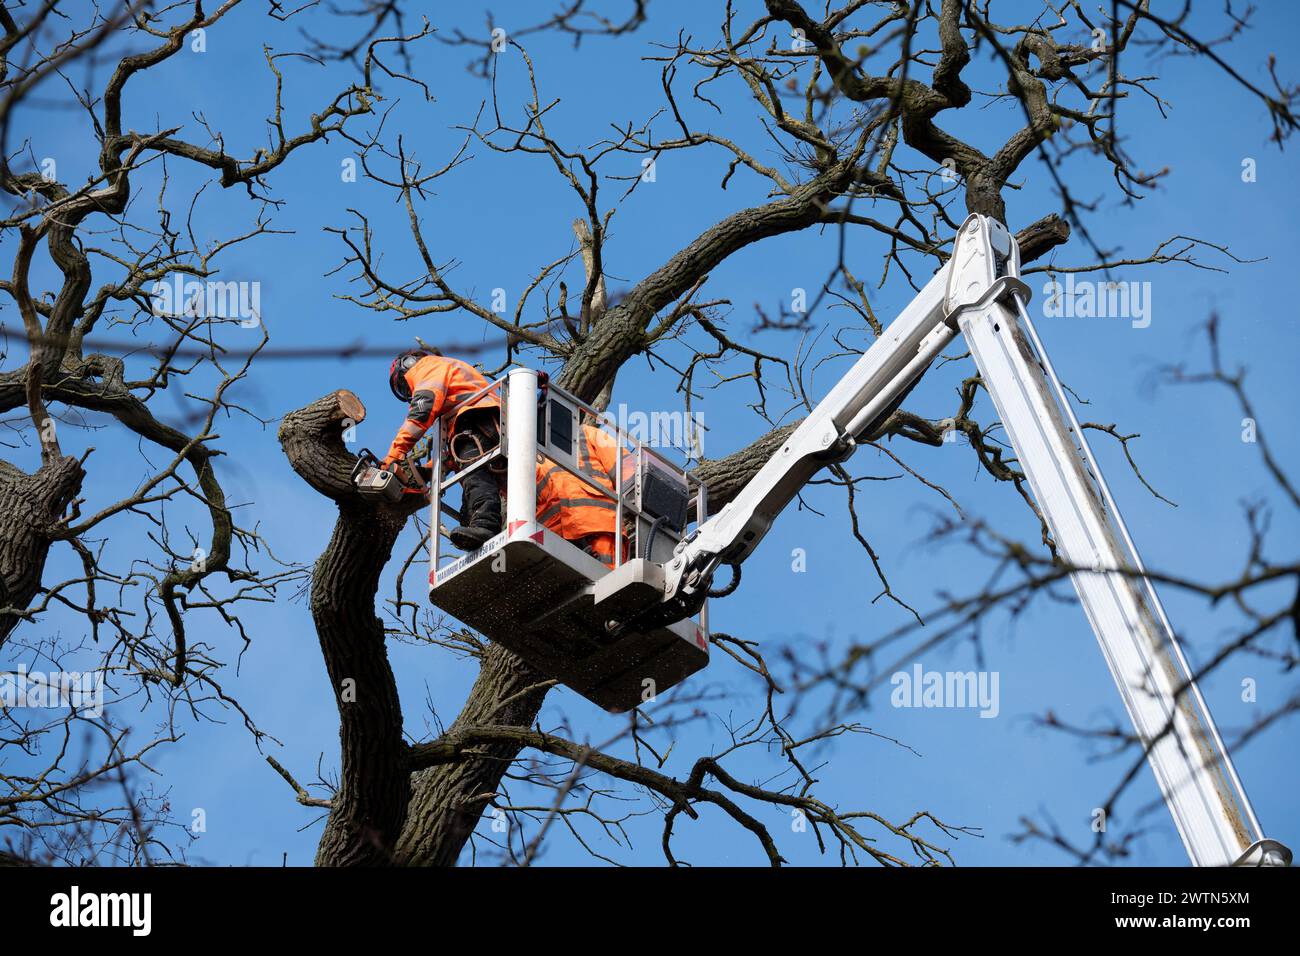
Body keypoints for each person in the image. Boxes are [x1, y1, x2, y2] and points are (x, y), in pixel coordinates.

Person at [384, 347, 502, 550]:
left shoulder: (427, 367)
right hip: (479, 423)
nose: (409, 391)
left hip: (477, 420)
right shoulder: (448, 381)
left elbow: (420, 415)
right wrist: (428, 471)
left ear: (408, 364)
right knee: (470, 487)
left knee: (474, 476)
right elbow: (450, 453)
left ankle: (486, 527)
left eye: (404, 386)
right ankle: (474, 531)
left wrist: (393, 456)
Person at [535, 418, 628, 567]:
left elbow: (629, 471)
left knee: (606, 581)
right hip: (553, 544)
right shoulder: (529, 457)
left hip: (599, 532)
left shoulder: (586, 435)